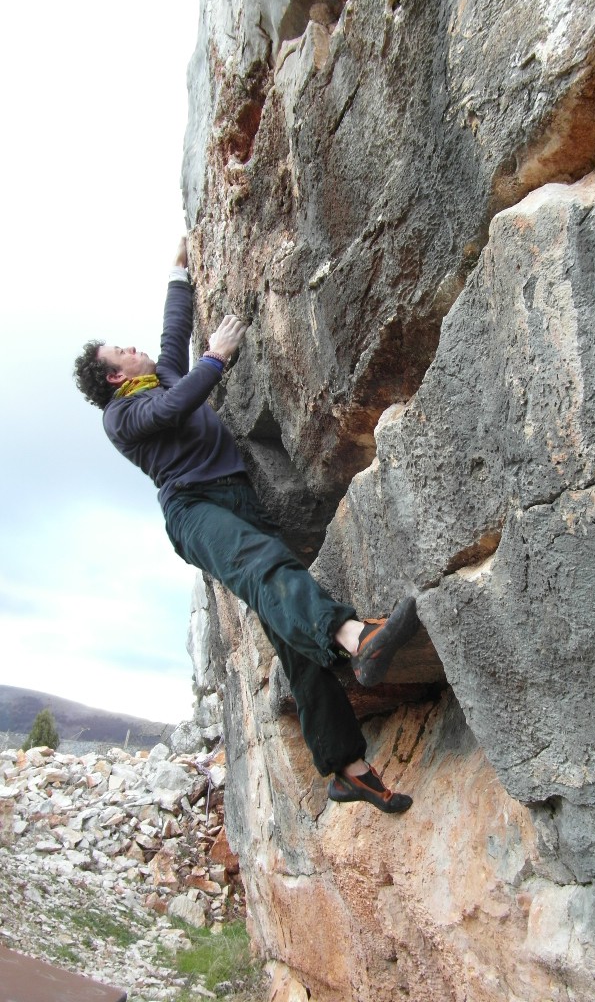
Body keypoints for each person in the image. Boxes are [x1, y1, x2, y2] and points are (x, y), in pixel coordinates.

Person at [73, 237, 418, 813]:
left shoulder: (157, 376)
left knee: (292, 637)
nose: (134, 348)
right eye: (121, 351)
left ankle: (348, 770)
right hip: (193, 512)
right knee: (265, 566)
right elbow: (172, 408)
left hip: (237, 501)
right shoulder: (123, 416)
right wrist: (217, 357)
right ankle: (357, 637)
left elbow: (170, 333)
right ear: (112, 377)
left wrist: (177, 275)